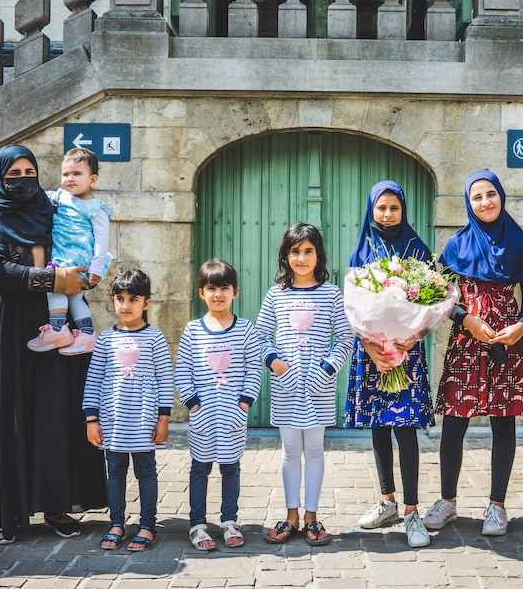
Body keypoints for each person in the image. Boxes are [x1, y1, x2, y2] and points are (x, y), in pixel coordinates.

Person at [0, 144, 107, 545]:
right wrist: (53, 280)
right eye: (14, 174)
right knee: (15, 414)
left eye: (30, 172)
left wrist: (85, 275)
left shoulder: (55, 211)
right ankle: (5, 511)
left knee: (58, 414)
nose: (23, 180)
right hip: (17, 329)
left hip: (58, 326)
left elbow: (79, 246)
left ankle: (57, 503)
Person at [424, 169, 523, 538]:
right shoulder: (456, 245)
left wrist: (520, 325)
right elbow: (436, 292)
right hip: (466, 342)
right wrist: (466, 319)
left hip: (507, 344)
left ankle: (497, 505)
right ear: (468, 204)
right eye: (477, 197)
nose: (486, 202)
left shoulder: (519, 243)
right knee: (454, 424)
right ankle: (448, 501)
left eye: (491, 194)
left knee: (503, 424)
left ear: (501, 197)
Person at [343, 181, 435, 548]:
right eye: (381, 208)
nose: (387, 214)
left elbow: (431, 302)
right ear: (372, 210)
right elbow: (352, 306)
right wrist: (371, 344)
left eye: (394, 208)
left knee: (406, 428)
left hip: (407, 352)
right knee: (379, 428)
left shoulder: (416, 248)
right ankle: (387, 502)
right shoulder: (361, 249)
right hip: (372, 355)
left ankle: (412, 512)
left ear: (403, 210)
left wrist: (410, 338)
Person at [260, 223, 354, 547]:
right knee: (289, 451)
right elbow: (259, 336)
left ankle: (312, 516)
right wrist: (275, 363)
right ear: (286, 256)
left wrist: (327, 369)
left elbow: (345, 338)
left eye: (308, 251)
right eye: (295, 251)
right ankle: (291, 516)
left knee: (314, 451)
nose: (302, 258)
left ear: (318, 255)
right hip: (286, 386)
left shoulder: (331, 293)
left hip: (318, 388)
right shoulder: (276, 295)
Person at [82, 268, 173, 552]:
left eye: (133, 299)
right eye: (119, 298)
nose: (125, 305)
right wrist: (91, 419)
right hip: (114, 421)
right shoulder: (106, 339)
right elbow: (93, 379)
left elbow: (165, 380)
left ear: (146, 303)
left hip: (144, 421)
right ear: (112, 301)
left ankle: (147, 525)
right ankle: (117, 523)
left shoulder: (155, 338)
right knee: (116, 471)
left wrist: (163, 420)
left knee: (146, 471)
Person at [175, 260, 262, 551]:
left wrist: (244, 404)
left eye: (224, 288)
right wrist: (193, 405)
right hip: (203, 414)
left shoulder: (245, 330)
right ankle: (197, 524)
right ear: (202, 292)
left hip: (232, 414)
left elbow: (253, 370)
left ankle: (229, 521)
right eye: (211, 288)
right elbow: (183, 370)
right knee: (199, 468)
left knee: (230, 467)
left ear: (235, 291)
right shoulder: (192, 331)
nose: (218, 295)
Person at [27, 147, 113, 355]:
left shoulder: (97, 208)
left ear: (92, 180)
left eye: (77, 174)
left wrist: (96, 268)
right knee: (75, 298)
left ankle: (57, 329)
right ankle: (86, 333)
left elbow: (102, 241)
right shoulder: (60, 197)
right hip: (63, 256)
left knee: (54, 287)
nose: (70, 179)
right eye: (66, 174)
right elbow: (37, 197)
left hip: (78, 259)